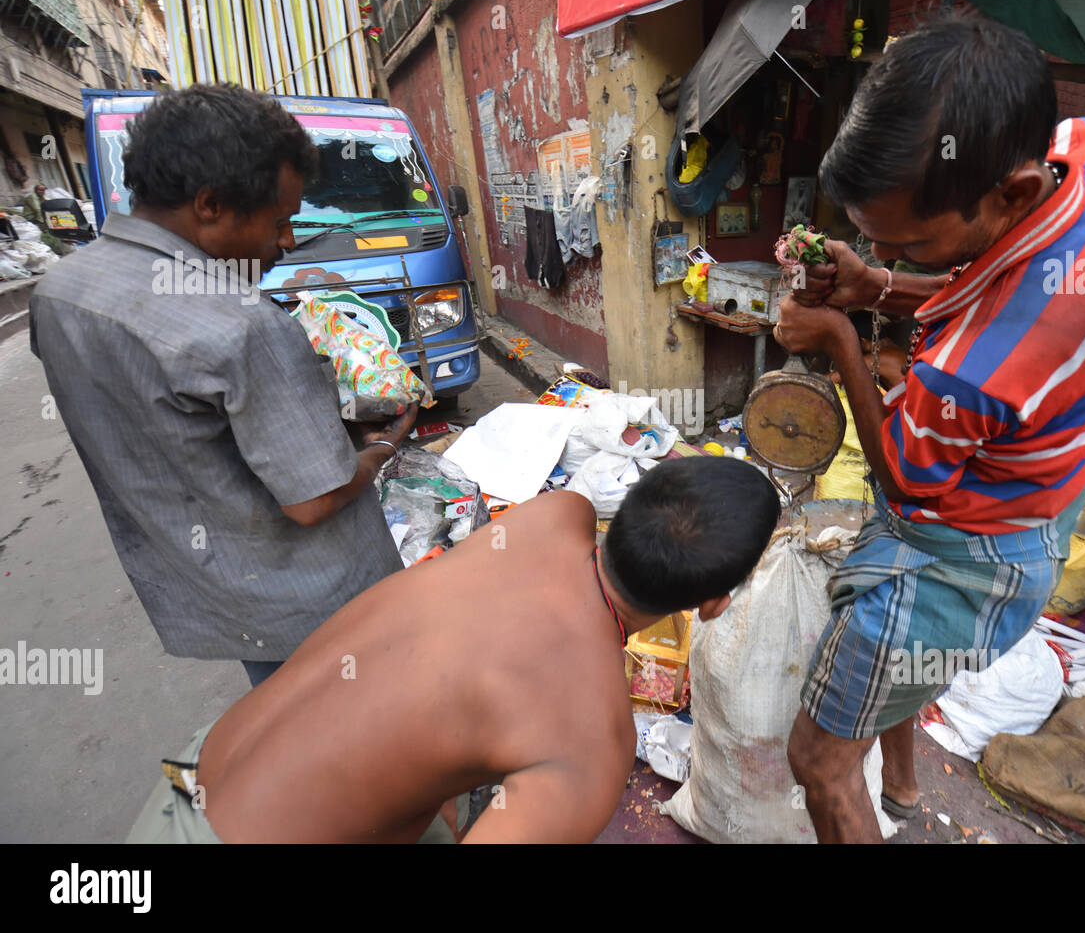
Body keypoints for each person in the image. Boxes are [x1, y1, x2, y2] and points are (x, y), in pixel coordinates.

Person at [775, 11, 1085, 843]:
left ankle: (873, 787)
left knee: (818, 760)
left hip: (964, 559)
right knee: (894, 685)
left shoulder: (970, 371)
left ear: (1011, 191)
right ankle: (904, 792)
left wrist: (838, 338)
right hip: (1042, 497)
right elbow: (987, 273)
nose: (888, 252)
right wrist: (876, 282)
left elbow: (908, 485)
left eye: (904, 241)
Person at [125, 457, 781, 843]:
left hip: (198, 765)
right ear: (715, 602)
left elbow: (458, 658)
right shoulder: (591, 748)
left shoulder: (556, 515)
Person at [29, 84, 416, 687]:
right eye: (281, 220)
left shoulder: (61, 292)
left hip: (219, 587)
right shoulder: (240, 322)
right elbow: (314, 499)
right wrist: (383, 445)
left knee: (293, 730)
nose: (287, 241)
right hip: (318, 603)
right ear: (209, 204)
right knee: (373, 738)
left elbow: (176, 425)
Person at [21, 183, 72, 255]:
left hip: (38, 217)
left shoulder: (41, 197)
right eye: (40, 190)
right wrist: (46, 222)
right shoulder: (32, 197)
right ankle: (57, 246)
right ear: (36, 190)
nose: (42, 192)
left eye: (43, 190)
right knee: (51, 227)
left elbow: (48, 206)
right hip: (31, 218)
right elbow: (37, 209)